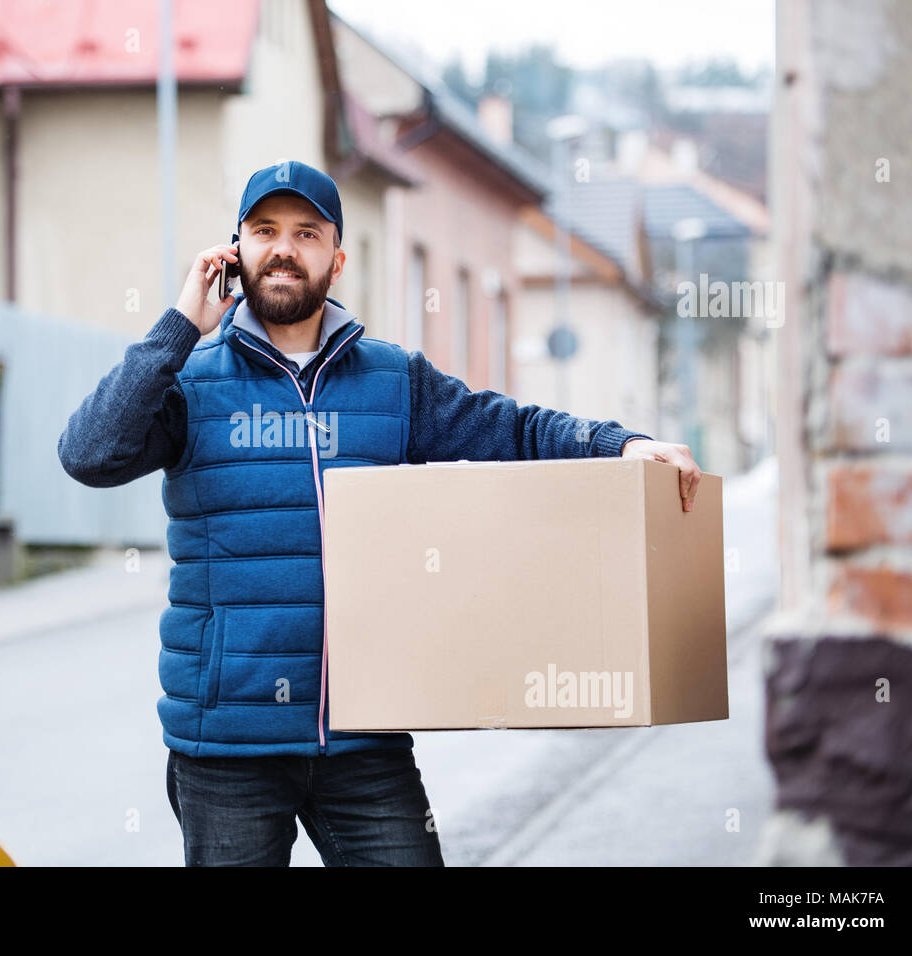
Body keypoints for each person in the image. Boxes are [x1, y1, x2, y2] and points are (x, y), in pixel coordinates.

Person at [58, 160, 700, 866]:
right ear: (233, 252)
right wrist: (180, 325)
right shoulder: (187, 384)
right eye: (264, 230)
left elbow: (508, 429)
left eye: (306, 233)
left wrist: (620, 444)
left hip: (363, 736)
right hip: (227, 743)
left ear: (336, 259)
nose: (283, 248)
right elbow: (89, 454)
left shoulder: (392, 380)